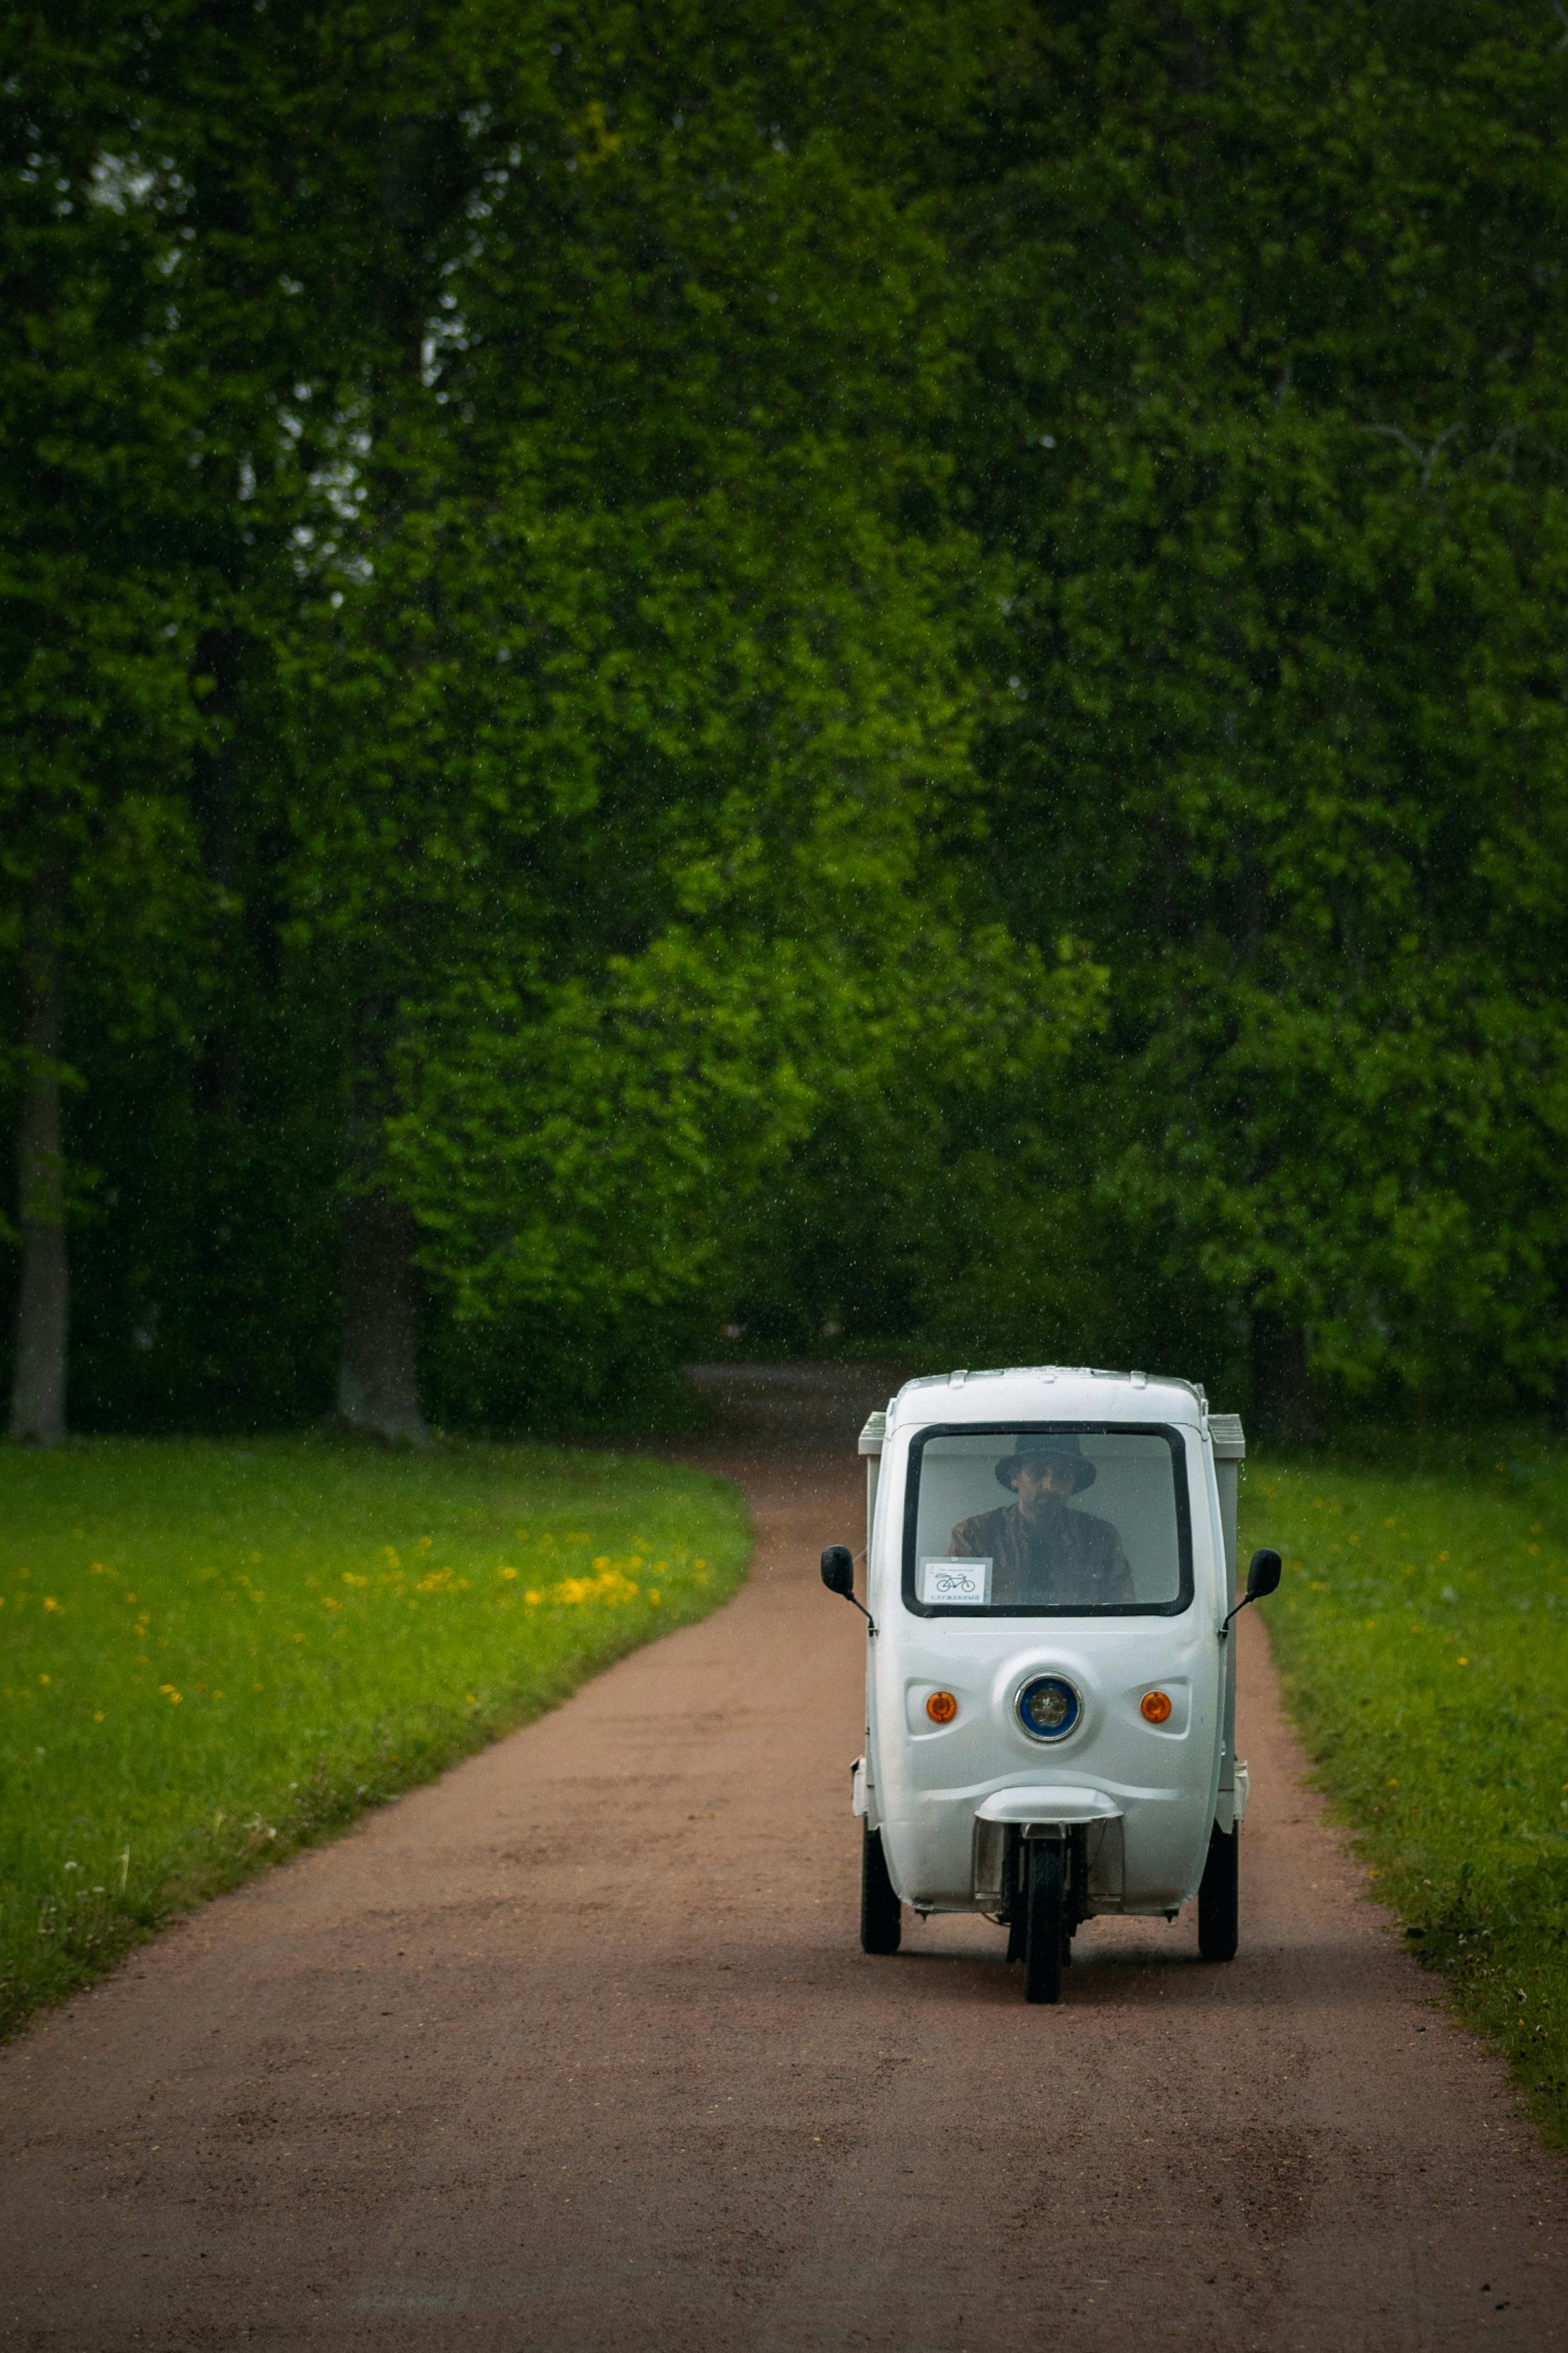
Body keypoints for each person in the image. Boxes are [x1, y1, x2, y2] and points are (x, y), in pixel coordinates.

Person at [949, 1434, 1134, 1607]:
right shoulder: (974, 1534)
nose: (1050, 1486)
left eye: (1063, 1475)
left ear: (1073, 1483)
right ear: (1015, 1477)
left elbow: (1122, 1613)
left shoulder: (1100, 1537)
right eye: (1037, 1471)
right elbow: (955, 1616)